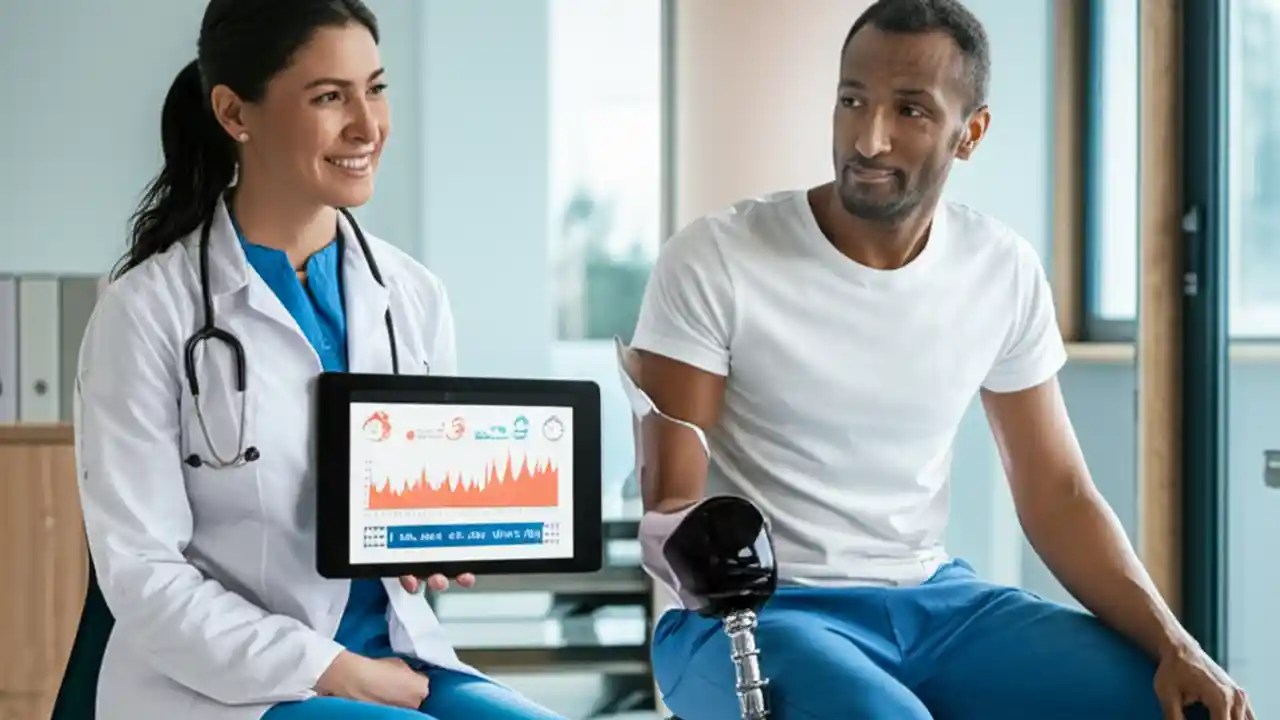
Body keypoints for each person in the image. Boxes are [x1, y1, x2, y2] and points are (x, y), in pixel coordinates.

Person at [628, 1, 1254, 719]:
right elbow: (669, 505)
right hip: (756, 618)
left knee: (1170, 703)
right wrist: (701, 544)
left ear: (971, 133)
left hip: (937, 605)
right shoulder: (716, 258)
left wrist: (1177, 643)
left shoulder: (1001, 267)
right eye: (851, 101)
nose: (868, 139)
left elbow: (1057, 493)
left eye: (911, 112)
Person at [72, 2, 565, 719]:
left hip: (398, 657)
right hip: (228, 687)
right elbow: (142, 574)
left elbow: (404, 506)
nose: (367, 126)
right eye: (330, 97)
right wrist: (330, 668)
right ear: (235, 113)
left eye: (376, 87)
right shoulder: (148, 311)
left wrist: (431, 538)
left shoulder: (411, 296)